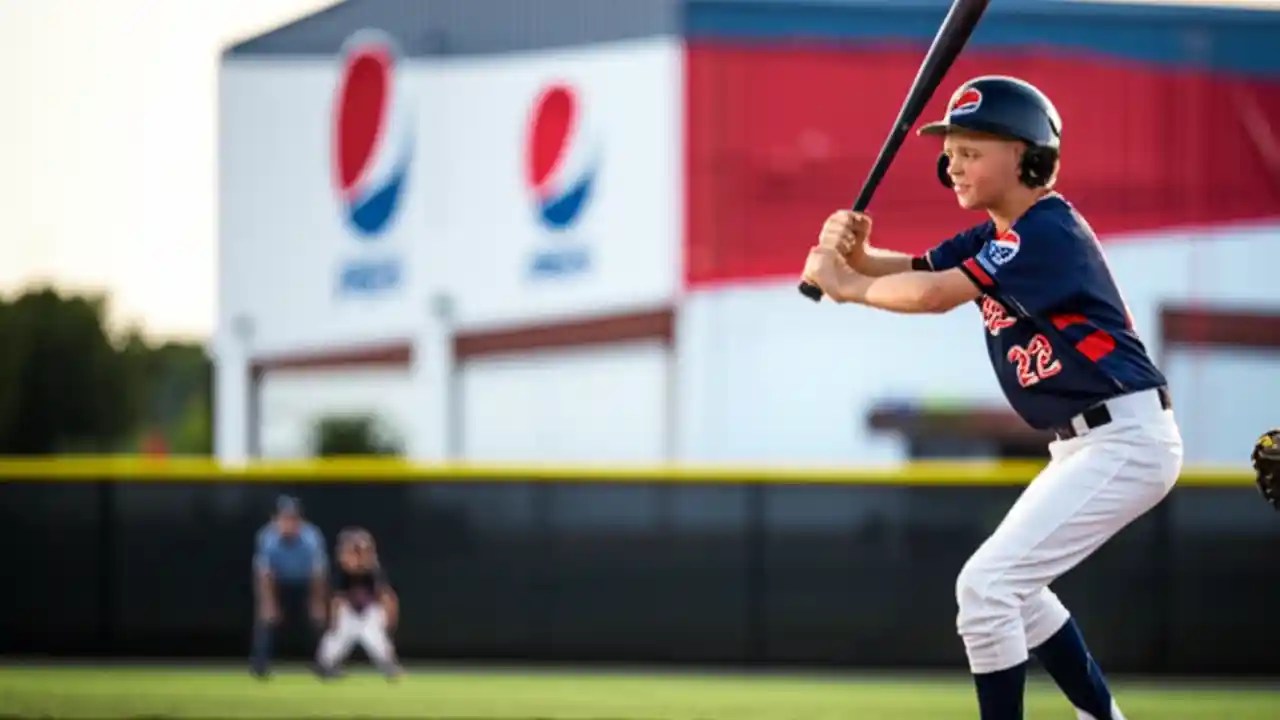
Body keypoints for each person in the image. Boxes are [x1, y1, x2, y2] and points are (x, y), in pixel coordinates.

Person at [800, 75, 1183, 720]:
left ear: (1027, 157)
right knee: (1015, 591)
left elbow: (930, 297)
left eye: (972, 150)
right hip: (1088, 444)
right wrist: (858, 258)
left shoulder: (1046, 232)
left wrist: (845, 285)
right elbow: (917, 272)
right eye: (950, 150)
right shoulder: (1000, 235)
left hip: (1124, 438)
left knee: (985, 589)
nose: (952, 162)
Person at [250, 495, 328, 678]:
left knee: (319, 618)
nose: (288, 523)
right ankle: (260, 666)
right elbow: (264, 574)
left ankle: (325, 665)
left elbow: (319, 574)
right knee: (265, 617)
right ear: (275, 519)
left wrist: (317, 602)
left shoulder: (312, 537)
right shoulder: (267, 537)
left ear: (300, 521)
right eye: (284, 518)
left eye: (293, 519)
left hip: (305, 582)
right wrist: (269, 603)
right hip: (278, 582)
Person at [316, 526, 403, 679]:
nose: (359, 555)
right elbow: (337, 600)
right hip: (348, 611)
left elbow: (387, 596)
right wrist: (333, 621)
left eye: (362, 551)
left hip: (369, 613)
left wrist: (390, 618)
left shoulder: (374, 570)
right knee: (336, 638)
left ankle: (390, 666)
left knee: (376, 640)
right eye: (354, 550)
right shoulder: (339, 571)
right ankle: (325, 666)